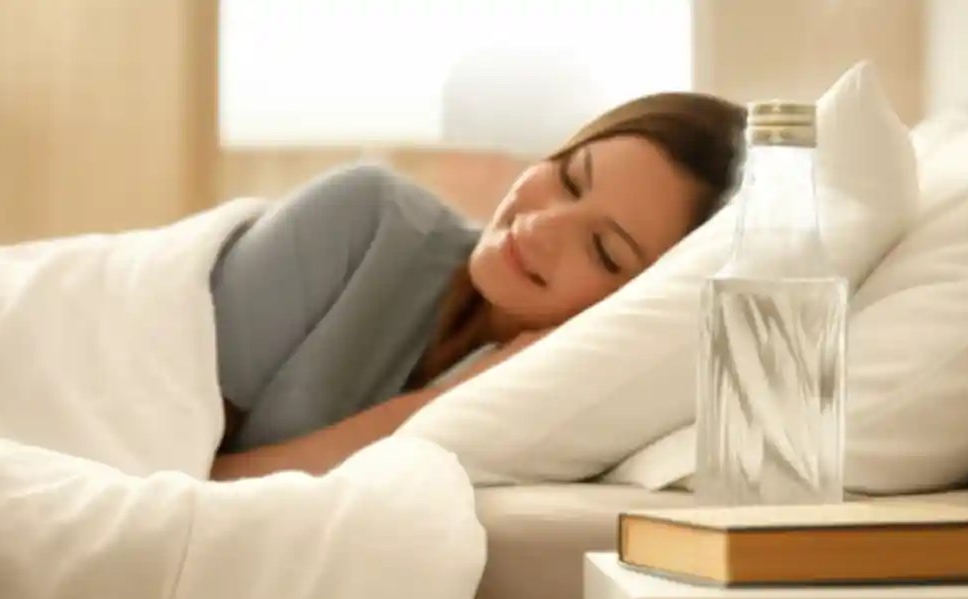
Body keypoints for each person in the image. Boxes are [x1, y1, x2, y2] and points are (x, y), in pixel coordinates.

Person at [209, 92, 746, 480]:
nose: (540, 227)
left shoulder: (555, 415)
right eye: (568, 178)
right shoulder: (367, 220)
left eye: (603, 250)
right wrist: (441, 401)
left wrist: (462, 398)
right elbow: (174, 474)